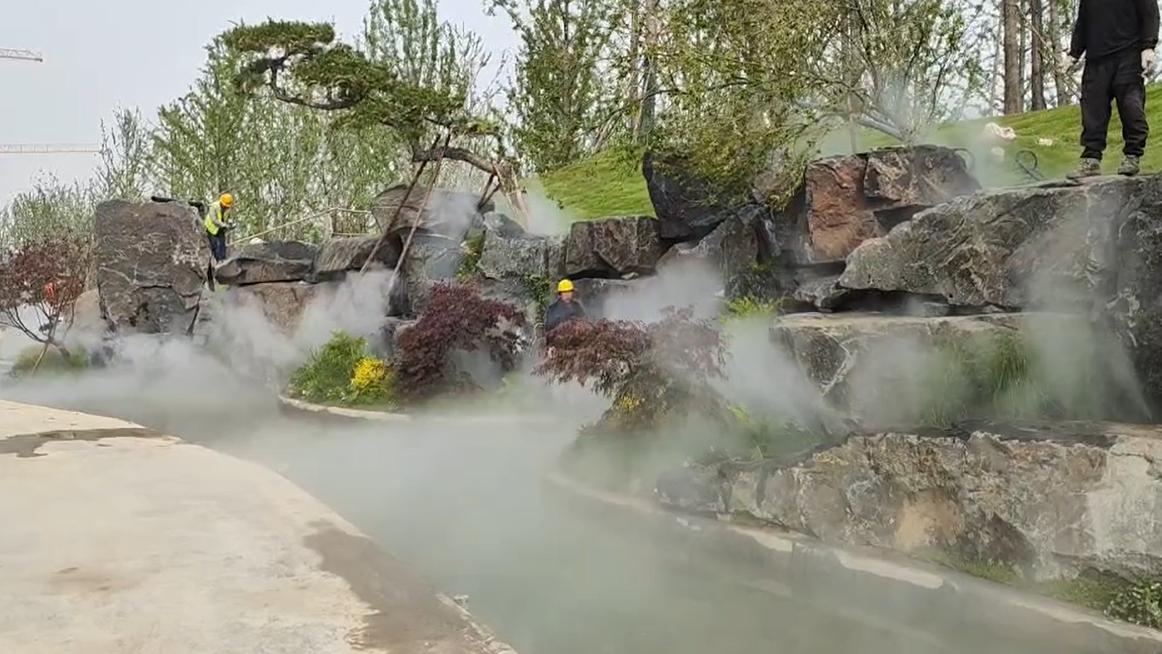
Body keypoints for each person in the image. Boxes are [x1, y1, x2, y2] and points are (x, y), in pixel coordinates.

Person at [1067, 0, 1159, 179]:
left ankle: (1132, 155)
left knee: (1131, 106)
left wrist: (1148, 46)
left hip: (1129, 55)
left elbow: (1150, 13)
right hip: (1096, 60)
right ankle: (1091, 159)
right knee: (1092, 110)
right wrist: (1073, 54)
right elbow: (1083, 23)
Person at [203, 193, 234, 262]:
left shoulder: (228, 208)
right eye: (225, 206)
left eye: (227, 206)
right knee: (214, 245)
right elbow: (214, 220)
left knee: (222, 244)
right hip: (211, 228)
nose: (226, 208)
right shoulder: (214, 207)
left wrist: (230, 223)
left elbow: (228, 217)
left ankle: (222, 260)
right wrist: (224, 225)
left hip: (220, 228)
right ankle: (216, 261)